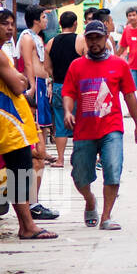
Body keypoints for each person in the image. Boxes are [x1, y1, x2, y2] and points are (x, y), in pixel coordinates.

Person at [62, 19, 137, 230]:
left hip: (111, 128)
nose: (94, 42)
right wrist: (68, 111)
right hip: (84, 130)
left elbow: (129, 96)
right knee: (80, 176)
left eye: (98, 37)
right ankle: (90, 200)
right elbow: (69, 92)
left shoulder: (119, 64)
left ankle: (106, 216)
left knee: (113, 169)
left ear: (106, 37)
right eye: (90, 38)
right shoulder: (76, 65)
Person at [0, 9, 54, 239]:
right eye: (4, 24)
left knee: (21, 174)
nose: (10, 28)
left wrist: (17, 77)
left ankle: (26, 225)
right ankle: (28, 227)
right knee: (20, 175)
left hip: (15, 123)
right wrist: (18, 78)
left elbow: (18, 79)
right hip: (10, 123)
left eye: (12, 24)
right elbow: (19, 86)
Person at [16, 5, 56, 218]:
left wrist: (46, 83)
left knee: (40, 145)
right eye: (43, 17)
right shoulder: (27, 38)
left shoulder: (38, 38)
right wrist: (31, 88)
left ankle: (35, 201)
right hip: (34, 89)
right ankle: (32, 203)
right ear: (35, 19)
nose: (46, 20)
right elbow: (29, 65)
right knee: (36, 148)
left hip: (41, 86)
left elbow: (42, 64)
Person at [46, 10, 80, 168]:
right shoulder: (80, 40)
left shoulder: (51, 42)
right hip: (78, 87)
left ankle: (60, 159)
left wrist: (56, 77)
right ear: (75, 24)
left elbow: (47, 67)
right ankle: (82, 158)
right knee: (82, 122)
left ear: (60, 24)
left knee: (60, 123)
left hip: (59, 86)